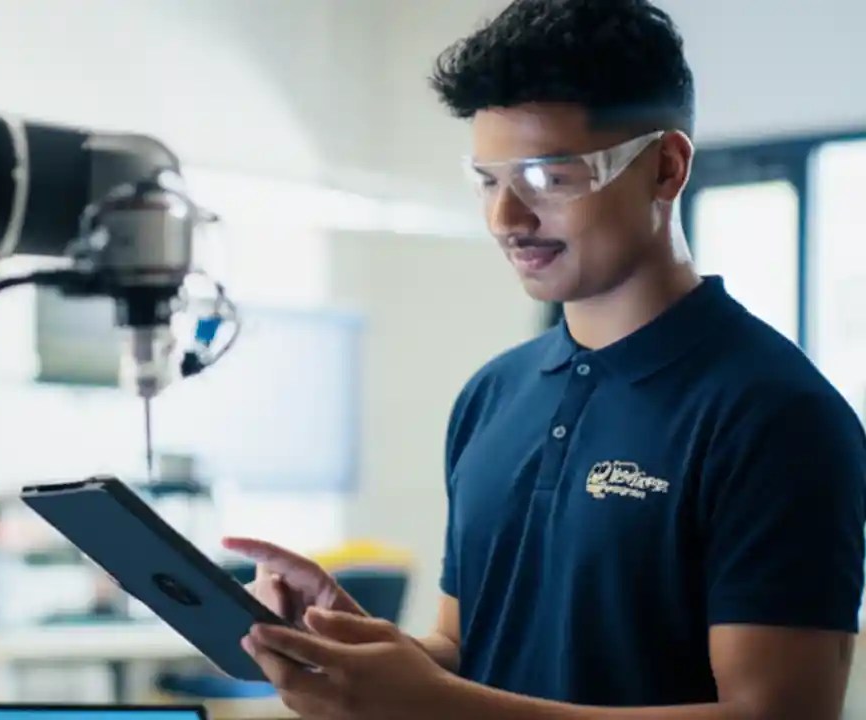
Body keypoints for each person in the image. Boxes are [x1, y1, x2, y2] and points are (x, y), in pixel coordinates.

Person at [225, 0, 866, 718]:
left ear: (665, 167)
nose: (507, 219)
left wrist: (437, 708)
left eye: (549, 179)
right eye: (490, 180)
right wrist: (347, 640)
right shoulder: (493, 394)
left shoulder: (775, 415)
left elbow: (775, 716)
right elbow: (464, 653)